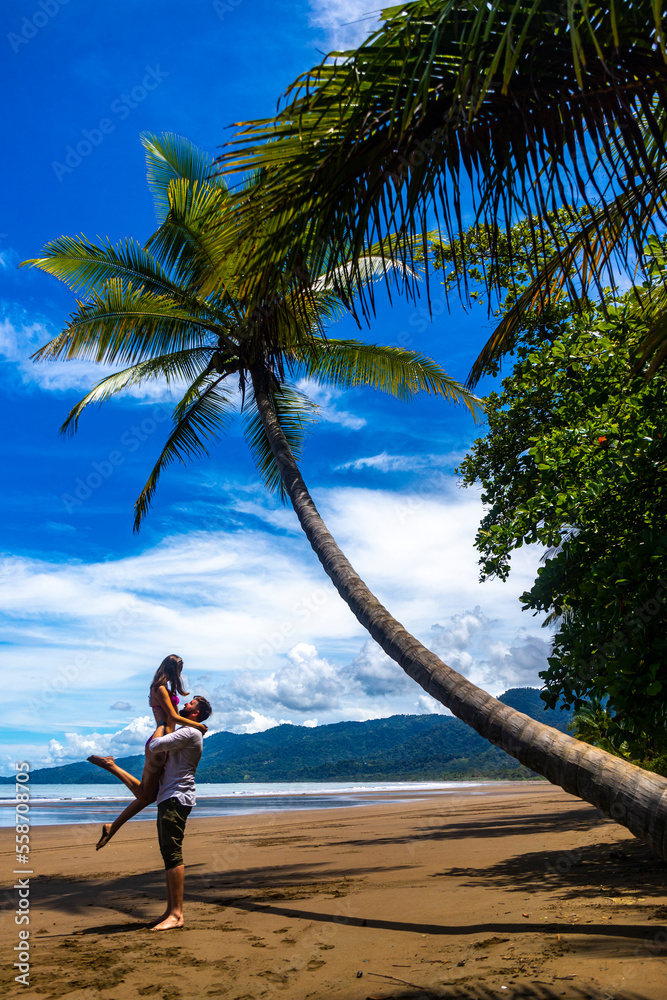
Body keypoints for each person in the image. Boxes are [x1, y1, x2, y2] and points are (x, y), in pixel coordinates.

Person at [87, 654, 208, 849]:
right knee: (145, 795)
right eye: (179, 670)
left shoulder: (166, 688)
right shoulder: (158, 688)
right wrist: (199, 727)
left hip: (166, 743)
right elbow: (171, 717)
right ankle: (111, 766)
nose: (180, 674)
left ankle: (112, 827)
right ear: (170, 669)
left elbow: (175, 716)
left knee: (149, 795)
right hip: (158, 743)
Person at [147, 694, 211, 930]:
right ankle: (170, 911)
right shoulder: (189, 731)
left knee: (172, 853)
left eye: (190, 704)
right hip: (172, 797)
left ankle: (177, 914)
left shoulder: (189, 733)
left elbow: (154, 746)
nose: (185, 705)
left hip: (175, 798)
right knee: (168, 854)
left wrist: (162, 724)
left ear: (195, 714)